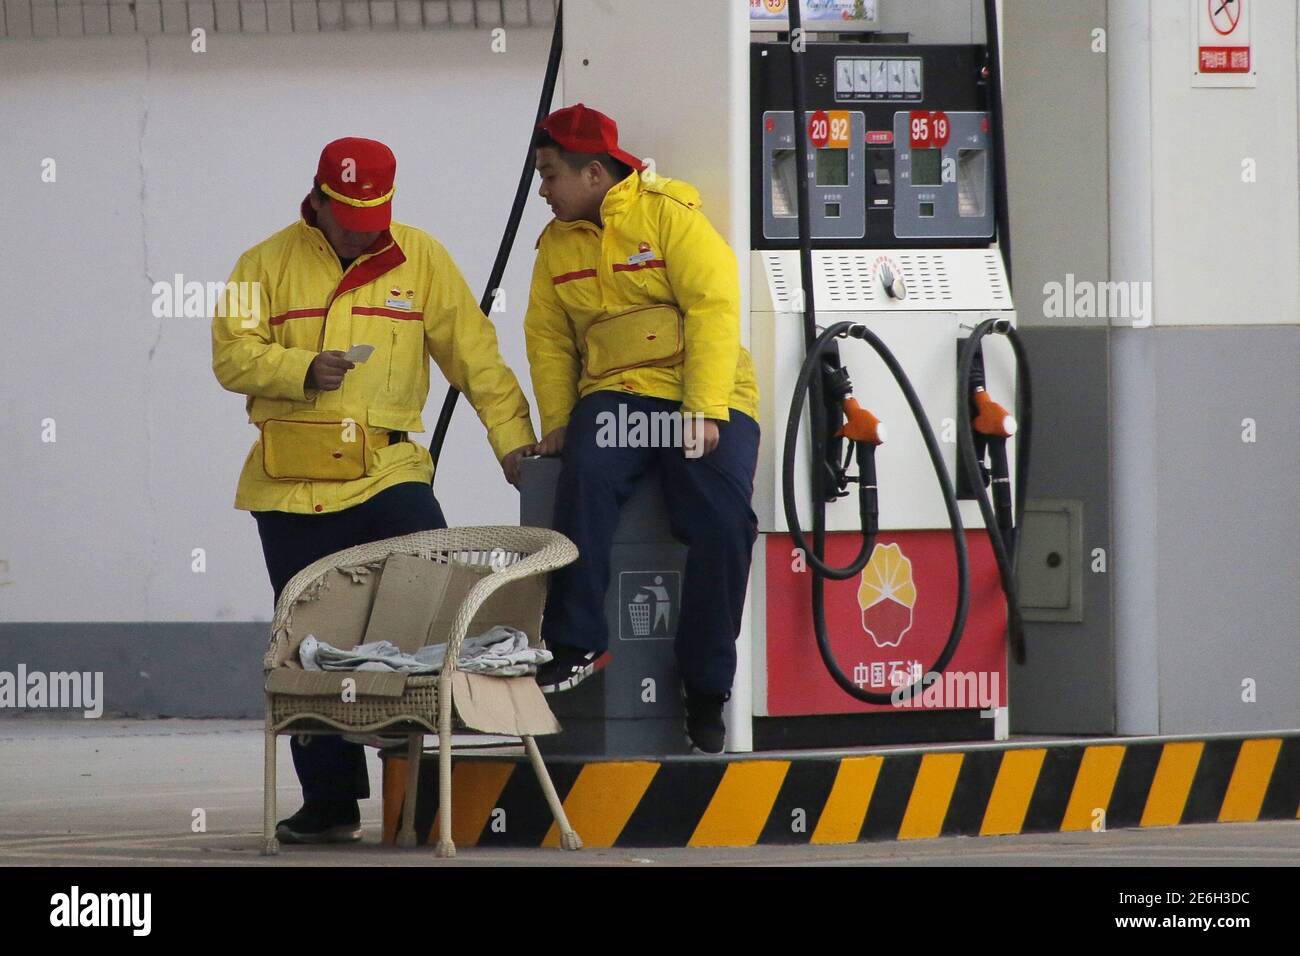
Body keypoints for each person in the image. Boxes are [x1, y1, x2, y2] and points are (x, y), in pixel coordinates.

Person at [211, 137, 536, 843]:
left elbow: (476, 358)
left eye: (377, 213)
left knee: (428, 616)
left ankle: (418, 775)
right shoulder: (258, 264)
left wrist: (515, 445)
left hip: (388, 474)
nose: (366, 228)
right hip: (289, 485)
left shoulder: (422, 259)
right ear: (319, 200)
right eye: (351, 214)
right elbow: (230, 355)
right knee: (307, 645)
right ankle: (327, 802)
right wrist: (300, 368)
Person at [522, 104, 761, 754]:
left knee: (723, 523)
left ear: (593, 173)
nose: (542, 189)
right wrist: (559, 424)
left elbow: (714, 307)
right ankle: (575, 644)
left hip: (700, 396)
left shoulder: (669, 217)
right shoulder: (553, 249)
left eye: (549, 175)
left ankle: (707, 687)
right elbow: (547, 339)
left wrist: (706, 409)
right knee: (586, 478)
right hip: (620, 400)